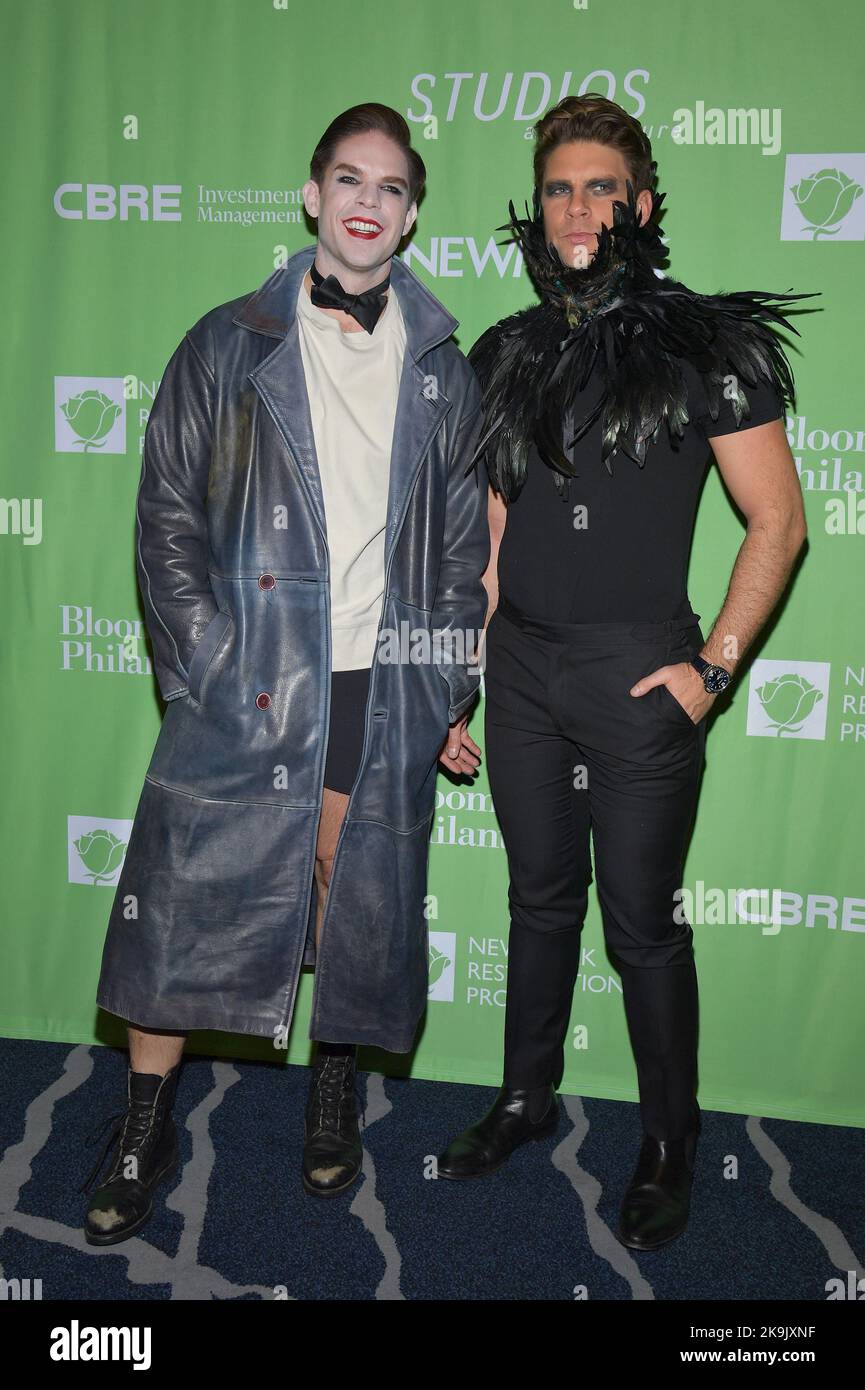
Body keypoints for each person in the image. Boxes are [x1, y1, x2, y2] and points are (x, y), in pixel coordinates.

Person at [82, 103, 488, 1244]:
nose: (368, 202)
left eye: (392, 188)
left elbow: (461, 552)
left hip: (375, 676)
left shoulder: (443, 371)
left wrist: (441, 683)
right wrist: (208, 660)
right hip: (246, 670)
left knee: (348, 897)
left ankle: (332, 1091)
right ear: (312, 196)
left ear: (410, 215)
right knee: (175, 907)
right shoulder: (225, 343)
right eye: (349, 180)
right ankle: (142, 1120)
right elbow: (165, 519)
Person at [436, 94, 811, 1251]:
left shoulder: (708, 343)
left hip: (642, 671)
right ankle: (522, 1098)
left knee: (643, 923)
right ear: (536, 210)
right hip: (525, 671)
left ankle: (667, 1139)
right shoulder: (505, 350)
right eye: (559, 187)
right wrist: (462, 682)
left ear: (642, 203)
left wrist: (712, 670)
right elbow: (490, 540)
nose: (580, 205)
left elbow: (779, 521)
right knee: (538, 901)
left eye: (603, 186)